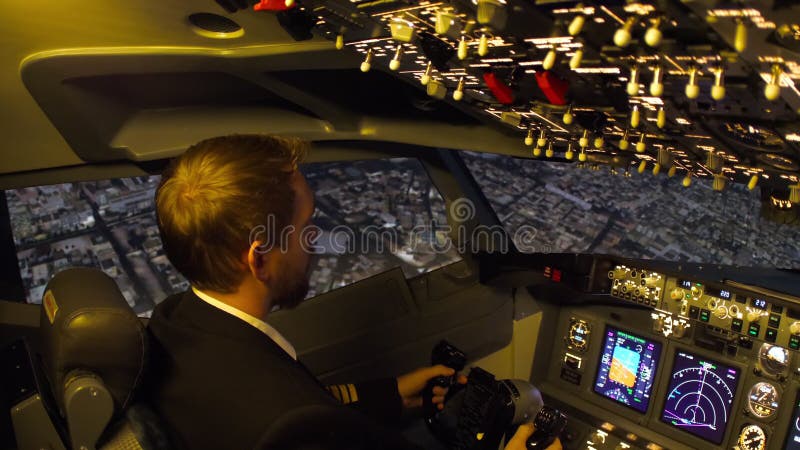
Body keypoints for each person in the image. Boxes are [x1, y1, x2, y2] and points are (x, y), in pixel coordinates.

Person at [145, 134, 561, 450]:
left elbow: (310, 406)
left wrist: (393, 394)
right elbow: (300, 418)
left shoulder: (175, 321)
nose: (315, 238)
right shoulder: (284, 423)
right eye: (305, 226)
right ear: (259, 259)